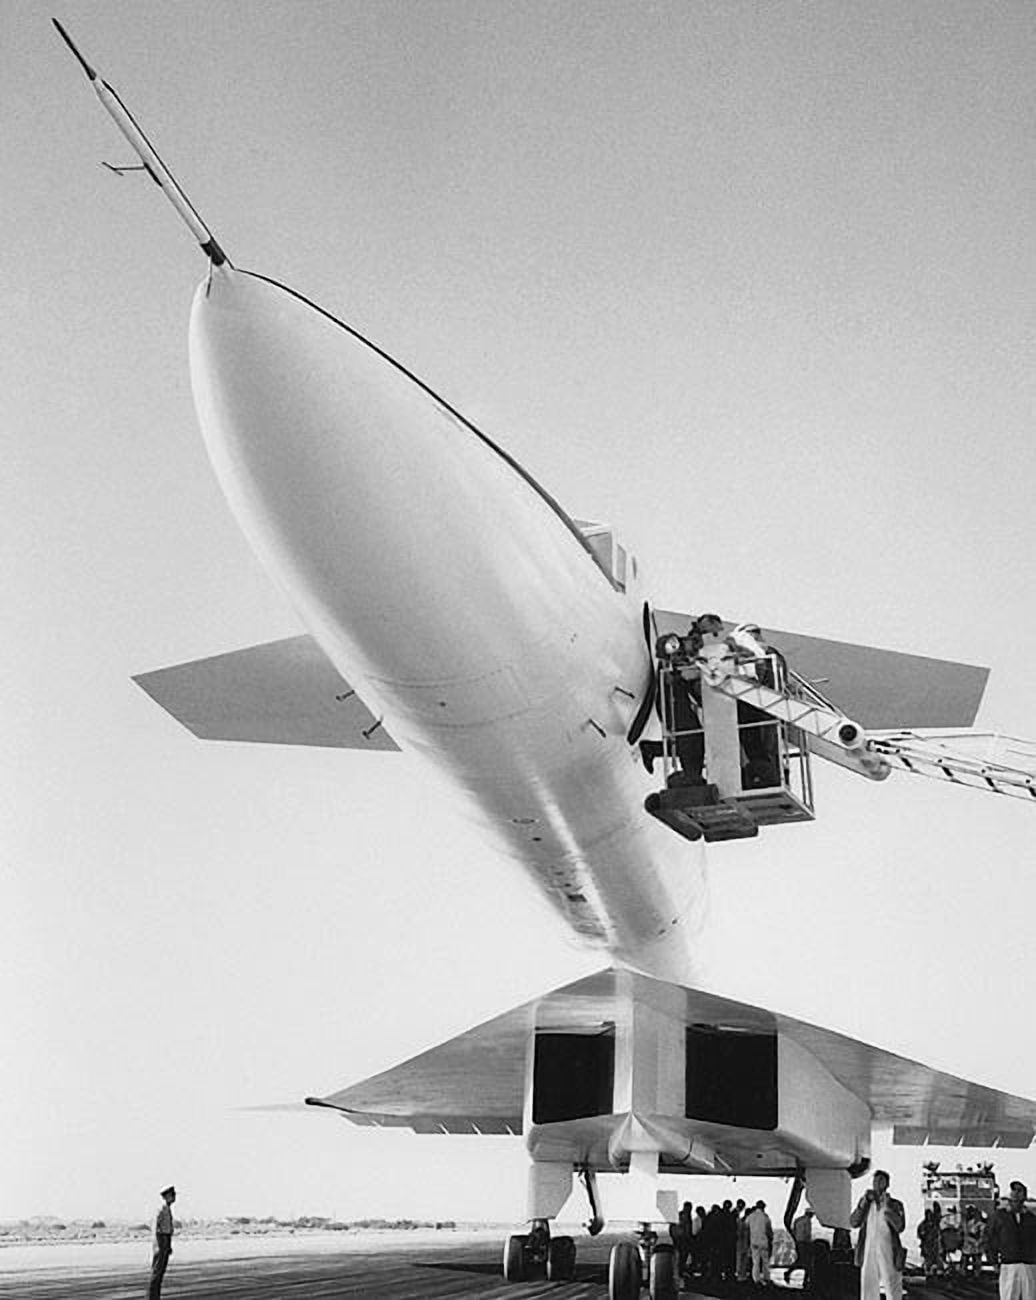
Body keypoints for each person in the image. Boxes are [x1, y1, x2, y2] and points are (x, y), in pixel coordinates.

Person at [850, 1170, 906, 1300]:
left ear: (887, 1184)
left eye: (880, 1181)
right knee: (868, 1283)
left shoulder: (896, 1204)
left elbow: (899, 1227)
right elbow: (853, 1222)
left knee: (892, 1282)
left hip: (889, 1249)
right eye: (875, 1181)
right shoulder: (866, 1203)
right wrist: (864, 1203)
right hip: (869, 1248)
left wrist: (887, 1209)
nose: (877, 1184)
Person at [986, 1180, 1036, 1300]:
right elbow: (991, 1239)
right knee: (1008, 1296)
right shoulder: (999, 1216)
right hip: (1009, 1264)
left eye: (1019, 1192)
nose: (1016, 1194)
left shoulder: (1031, 1218)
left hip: (1029, 1265)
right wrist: (993, 1260)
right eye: (1014, 1191)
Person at [149, 1184, 176, 1300]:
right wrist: (158, 1245)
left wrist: (169, 1245)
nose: (174, 1197)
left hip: (166, 1240)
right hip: (161, 1240)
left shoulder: (167, 1209)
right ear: (167, 1196)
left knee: (160, 1273)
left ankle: (156, 1296)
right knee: (156, 1272)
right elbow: (155, 1227)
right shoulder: (161, 1209)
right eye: (172, 1195)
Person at [746, 1199, 774, 1286]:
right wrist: (771, 1239)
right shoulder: (765, 1217)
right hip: (763, 1242)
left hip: (754, 1242)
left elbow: (746, 1227)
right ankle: (766, 1278)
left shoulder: (750, 1216)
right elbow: (769, 1230)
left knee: (756, 1262)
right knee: (765, 1262)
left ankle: (756, 1279)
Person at [787, 1207, 815, 1287]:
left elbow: (794, 1231)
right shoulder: (807, 1221)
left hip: (798, 1242)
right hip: (804, 1243)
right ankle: (807, 1280)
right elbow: (807, 1234)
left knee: (801, 1260)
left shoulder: (798, 1220)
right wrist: (810, 1243)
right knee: (807, 1261)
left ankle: (804, 1278)